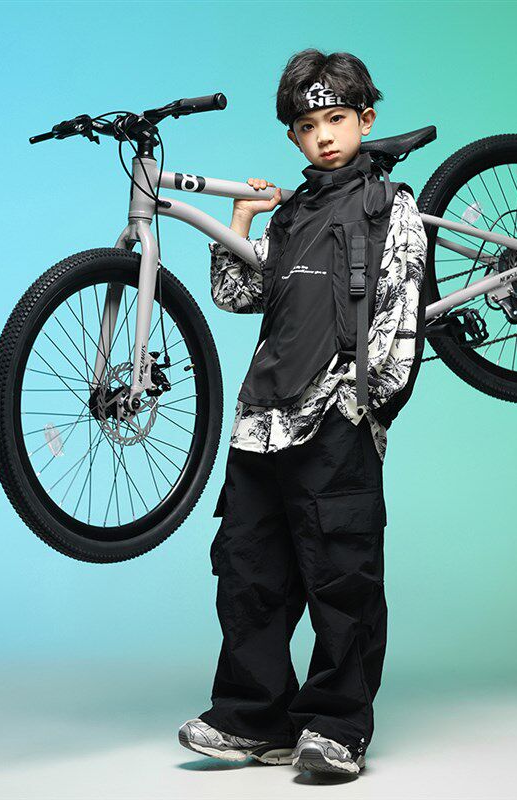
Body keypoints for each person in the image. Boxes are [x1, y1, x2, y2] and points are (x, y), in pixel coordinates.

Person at [178, 48, 427, 776]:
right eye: (309, 126)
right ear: (293, 135)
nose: (324, 136)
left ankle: (336, 726)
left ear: (365, 120)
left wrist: (365, 402)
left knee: (342, 576)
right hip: (261, 419)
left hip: (336, 412)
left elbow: (402, 308)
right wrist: (241, 218)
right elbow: (238, 295)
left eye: (337, 119)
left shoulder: (390, 205)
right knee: (248, 573)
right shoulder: (291, 216)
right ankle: (252, 719)